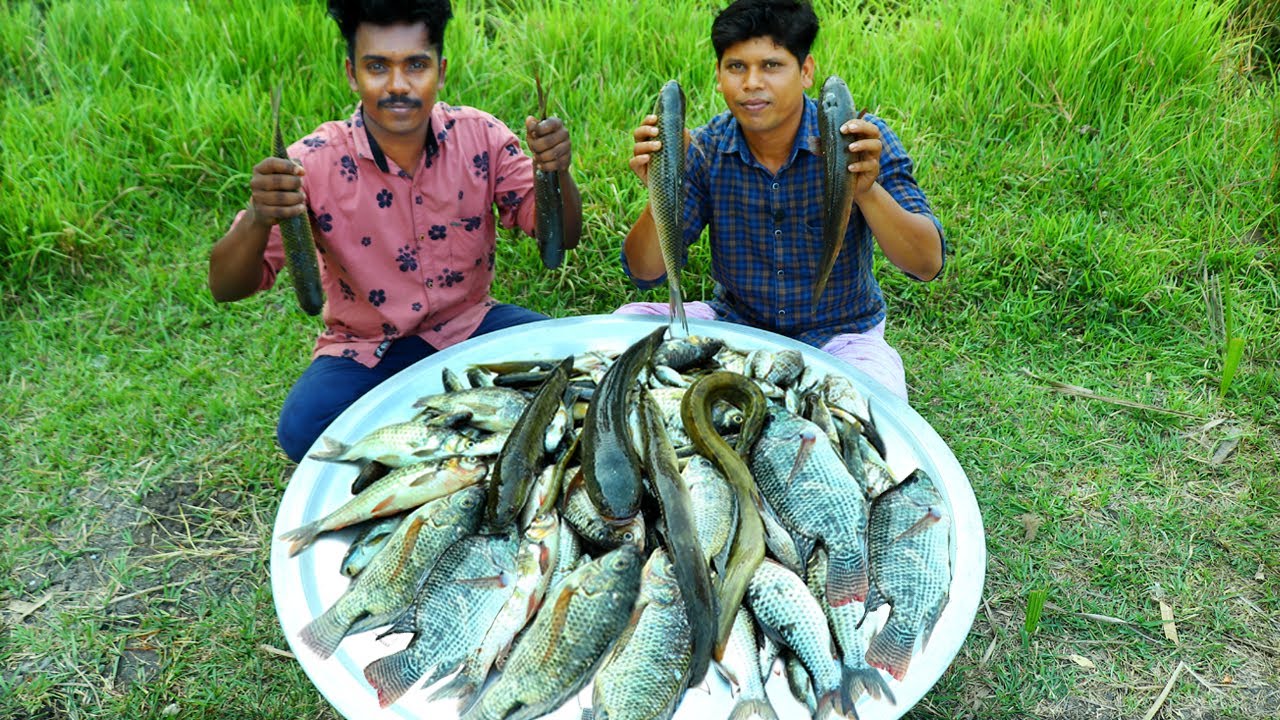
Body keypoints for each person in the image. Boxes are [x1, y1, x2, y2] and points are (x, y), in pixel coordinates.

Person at [209, 0, 582, 462]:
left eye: (417, 65)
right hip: (367, 350)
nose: (398, 85)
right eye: (378, 67)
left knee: (568, 362)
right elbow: (225, 286)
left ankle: (418, 437)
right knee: (303, 427)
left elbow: (559, 236)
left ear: (440, 72)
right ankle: (454, 432)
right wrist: (260, 216)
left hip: (471, 327)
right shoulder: (311, 163)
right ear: (352, 73)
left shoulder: (481, 137)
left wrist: (556, 173)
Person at [619, 0, 943, 402]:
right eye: (737, 67)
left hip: (842, 337)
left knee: (874, 404)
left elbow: (927, 263)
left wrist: (865, 190)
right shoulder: (705, 148)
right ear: (718, 77)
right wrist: (661, 187)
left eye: (771, 65)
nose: (752, 82)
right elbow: (645, 272)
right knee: (624, 328)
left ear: (805, 72)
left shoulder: (861, 140)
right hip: (736, 327)